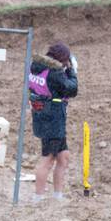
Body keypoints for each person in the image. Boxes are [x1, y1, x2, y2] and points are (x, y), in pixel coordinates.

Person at [28, 42, 79, 201]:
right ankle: (38, 198)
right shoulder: (55, 72)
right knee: (48, 159)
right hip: (53, 118)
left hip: (41, 114)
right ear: (62, 59)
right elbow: (72, 89)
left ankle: (57, 196)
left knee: (63, 157)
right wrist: (72, 71)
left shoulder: (36, 66)